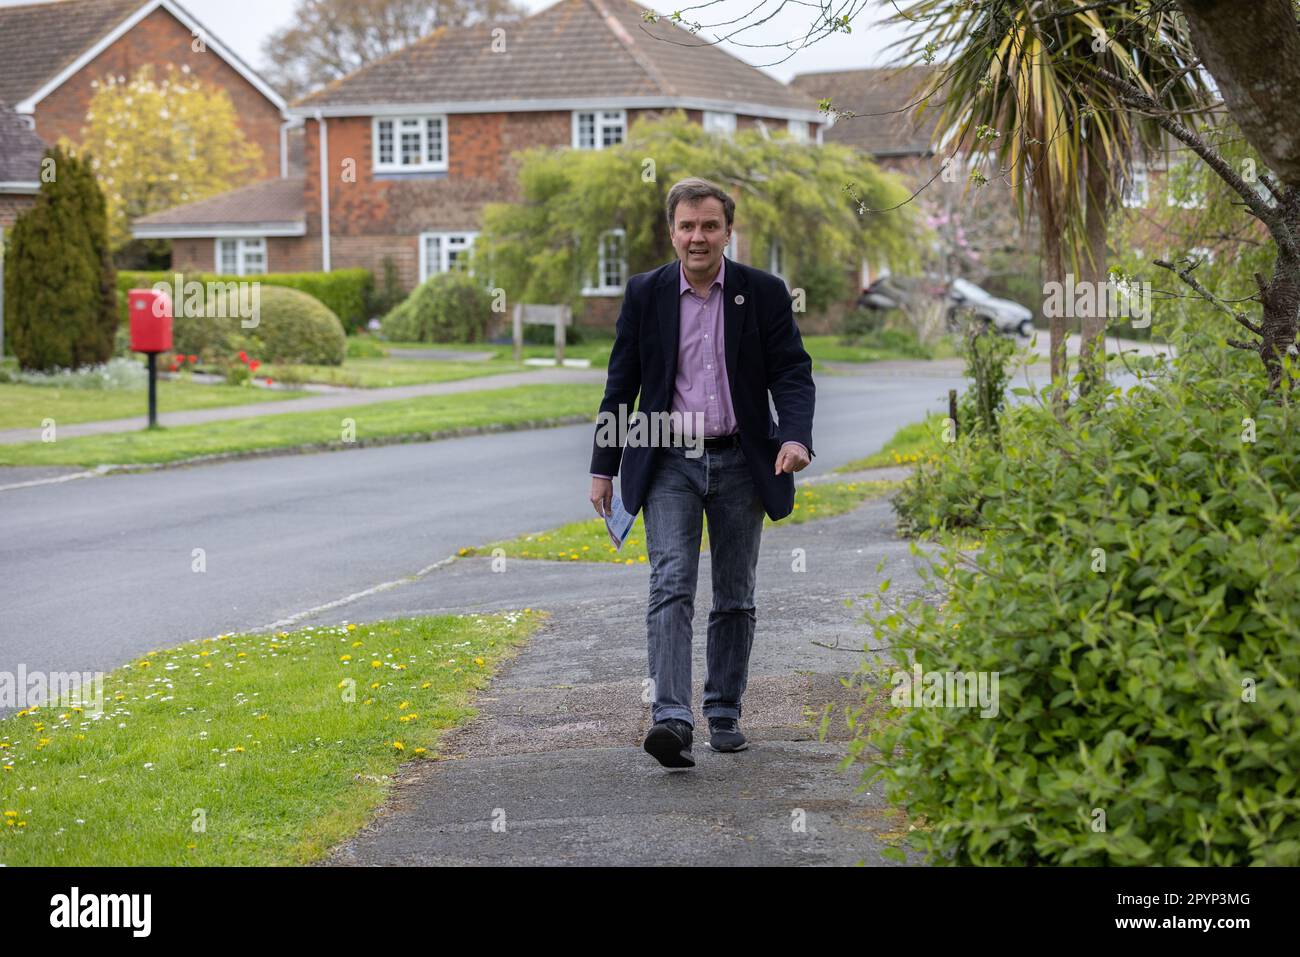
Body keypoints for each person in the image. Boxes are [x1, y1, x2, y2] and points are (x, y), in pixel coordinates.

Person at [588, 177, 816, 770]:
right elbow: (622, 385)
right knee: (671, 584)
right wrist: (602, 468)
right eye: (687, 226)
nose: (698, 237)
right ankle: (671, 719)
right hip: (666, 458)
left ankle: (722, 712)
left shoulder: (762, 293)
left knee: (735, 595)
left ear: (728, 231)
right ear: (672, 231)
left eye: (709, 226)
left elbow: (792, 371)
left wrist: (794, 436)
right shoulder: (645, 294)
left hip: (744, 459)